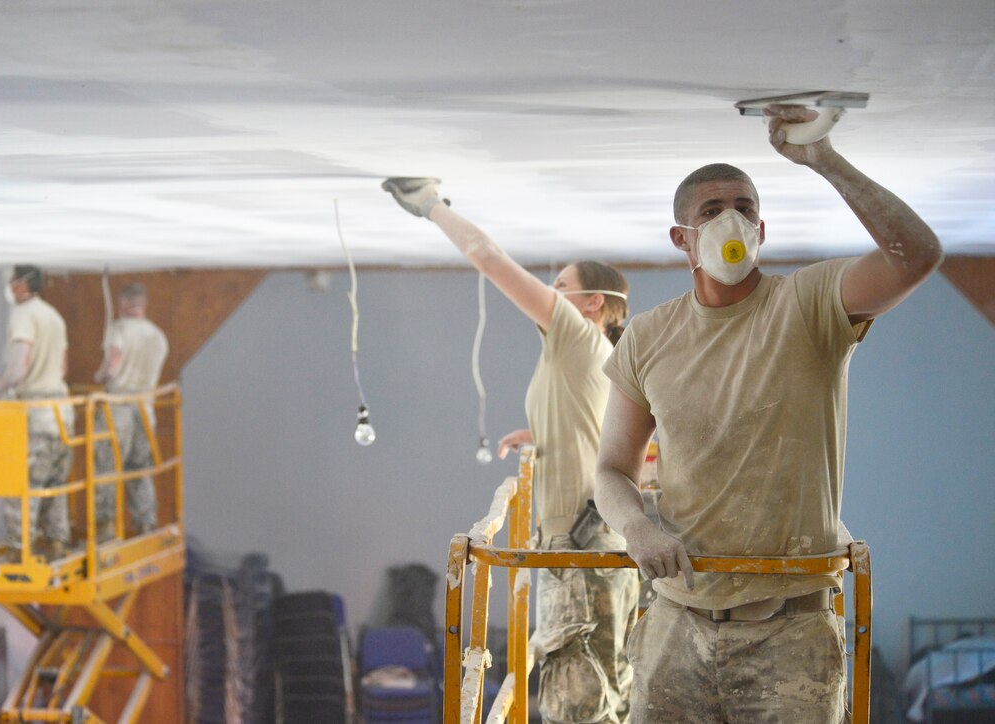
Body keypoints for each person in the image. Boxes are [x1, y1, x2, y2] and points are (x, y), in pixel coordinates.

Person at [594, 104, 944, 722]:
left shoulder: (809, 306)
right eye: (711, 211)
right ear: (683, 238)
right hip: (679, 618)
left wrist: (823, 159)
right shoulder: (648, 336)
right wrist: (638, 528)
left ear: (761, 229)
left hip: (791, 629)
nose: (731, 219)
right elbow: (612, 470)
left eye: (745, 208)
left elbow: (915, 255)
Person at [383, 178, 639, 724]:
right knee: (598, 696)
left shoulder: (575, 333)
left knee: (578, 701)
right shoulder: (587, 354)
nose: (551, 290)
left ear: (591, 302)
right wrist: (539, 437)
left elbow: (491, 260)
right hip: (585, 542)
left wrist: (431, 207)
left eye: (561, 283)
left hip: (580, 548)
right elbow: (594, 427)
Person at [0, 265, 73, 562]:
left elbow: (20, 365)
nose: (10, 286)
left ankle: (18, 550)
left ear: (22, 285)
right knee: (55, 483)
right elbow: (63, 368)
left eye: (12, 281)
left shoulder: (23, 316)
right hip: (62, 411)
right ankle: (57, 541)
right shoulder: (54, 316)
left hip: (37, 413)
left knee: (23, 484)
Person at [92, 282, 169, 539]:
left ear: (124, 303)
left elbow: (112, 365)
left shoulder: (119, 329)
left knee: (107, 465)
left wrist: (99, 376)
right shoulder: (158, 336)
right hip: (145, 409)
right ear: (144, 304)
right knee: (140, 468)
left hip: (118, 407)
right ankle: (145, 522)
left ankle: (106, 526)